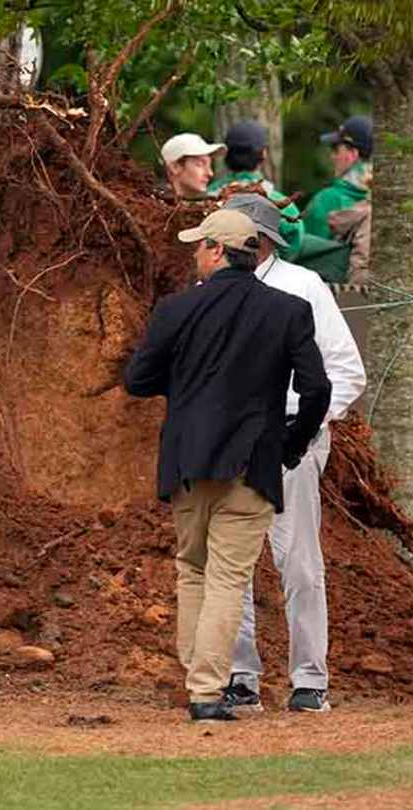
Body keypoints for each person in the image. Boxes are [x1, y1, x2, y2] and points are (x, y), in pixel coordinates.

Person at [124, 208, 330, 722]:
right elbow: (318, 388)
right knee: (227, 577)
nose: (194, 252)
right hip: (252, 463)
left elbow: (138, 380)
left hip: (187, 462)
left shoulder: (176, 309)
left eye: (200, 244)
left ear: (218, 251)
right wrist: (292, 442)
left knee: (193, 569)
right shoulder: (287, 310)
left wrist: (189, 386)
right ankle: (206, 692)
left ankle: (201, 679)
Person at [217, 194, 366, 714]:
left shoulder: (305, 286)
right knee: (232, 559)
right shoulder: (209, 288)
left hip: (289, 438)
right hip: (229, 439)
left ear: (254, 238)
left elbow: (346, 372)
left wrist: (303, 428)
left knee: (297, 559)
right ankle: (241, 674)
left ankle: (309, 678)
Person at [207, 121, 304, 261]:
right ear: (263, 155)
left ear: (226, 156)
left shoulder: (208, 196)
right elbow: (294, 239)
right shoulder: (280, 204)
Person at [305, 115, 372, 242]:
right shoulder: (390, 199)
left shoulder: (326, 200)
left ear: (352, 154)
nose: (332, 156)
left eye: (335, 149)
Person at [160, 133, 224, 200]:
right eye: (200, 164)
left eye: (209, 165)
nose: (210, 173)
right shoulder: (154, 207)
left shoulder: (214, 204)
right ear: (175, 167)